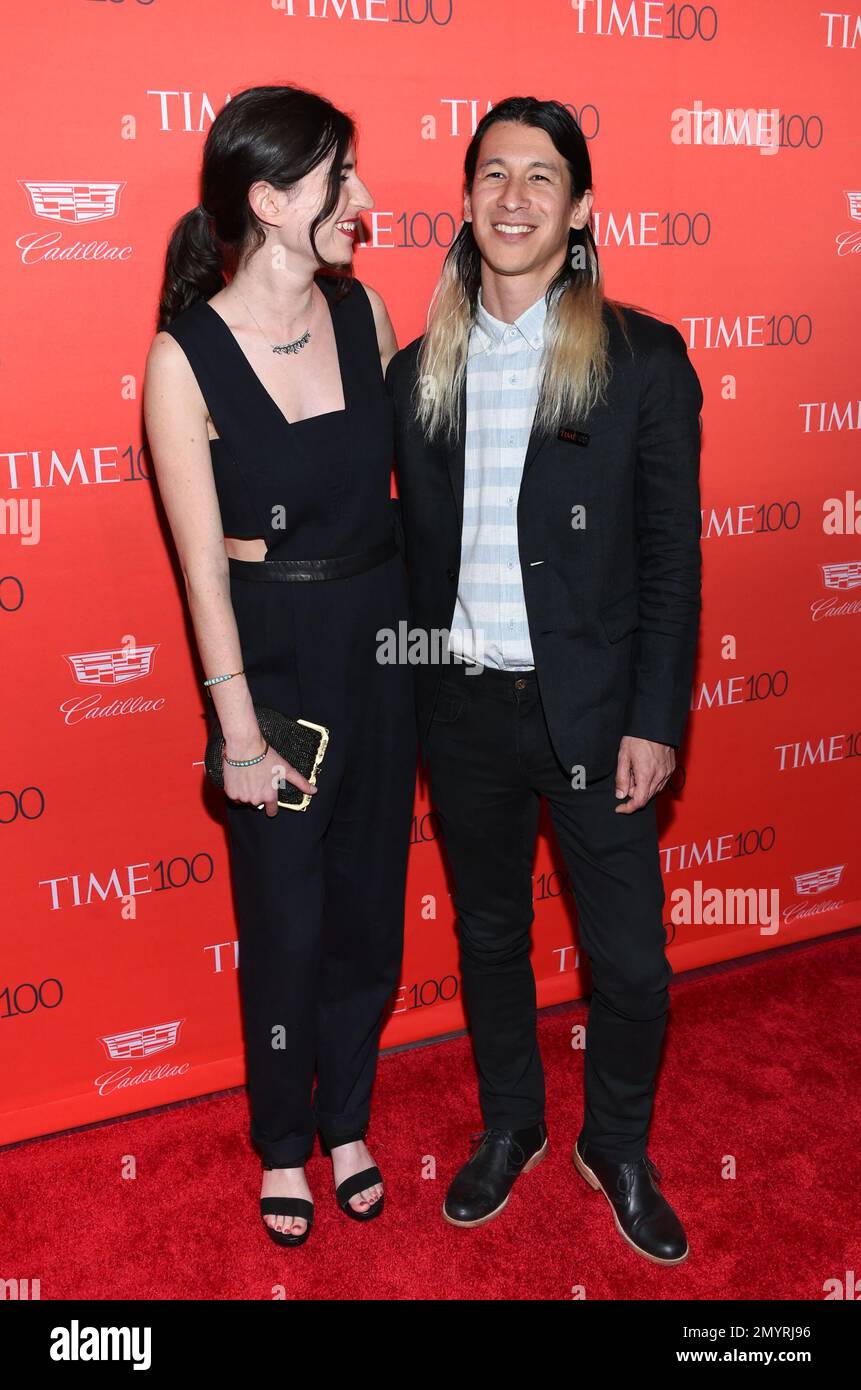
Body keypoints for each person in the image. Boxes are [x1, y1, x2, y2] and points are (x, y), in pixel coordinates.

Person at [385, 96, 703, 1264]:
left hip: (597, 717)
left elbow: (673, 562)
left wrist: (655, 720)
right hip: (462, 706)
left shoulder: (642, 360)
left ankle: (614, 1141)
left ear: (577, 208)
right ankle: (513, 1124)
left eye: (540, 177)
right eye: (492, 176)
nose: (513, 197)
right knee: (488, 936)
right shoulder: (418, 371)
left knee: (629, 963)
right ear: (467, 202)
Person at [144, 85, 416, 1247]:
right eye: (336, 180)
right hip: (273, 673)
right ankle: (285, 1145)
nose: (362, 199)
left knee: (367, 912)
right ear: (268, 201)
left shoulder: (371, 315)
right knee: (287, 922)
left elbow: (412, 501)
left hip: (380, 646)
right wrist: (238, 735)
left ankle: (348, 1119)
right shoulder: (182, 359)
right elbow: (203, 569)